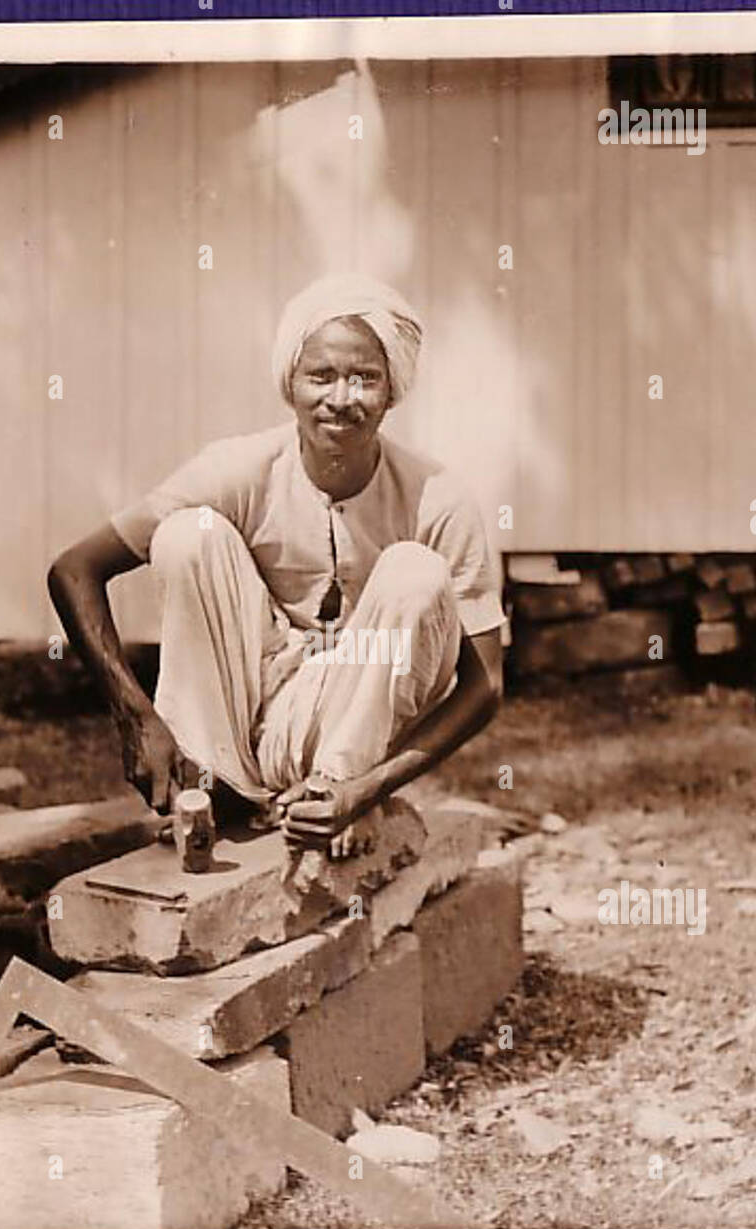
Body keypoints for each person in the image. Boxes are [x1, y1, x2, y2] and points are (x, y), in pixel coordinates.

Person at [48, 273, 504, 850]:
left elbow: (485, 685)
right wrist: (137, 718)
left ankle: (330, 796)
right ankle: (214, 787)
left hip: (360, 730)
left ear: (393, 391)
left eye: (365, 378)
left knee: (415, 570)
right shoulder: (238, 469)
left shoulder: (439, 497)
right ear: (289, 384)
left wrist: (367, 787)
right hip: (256, 716)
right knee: (188, 534)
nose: (341, 398)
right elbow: (74, 569)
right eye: (321, 376)